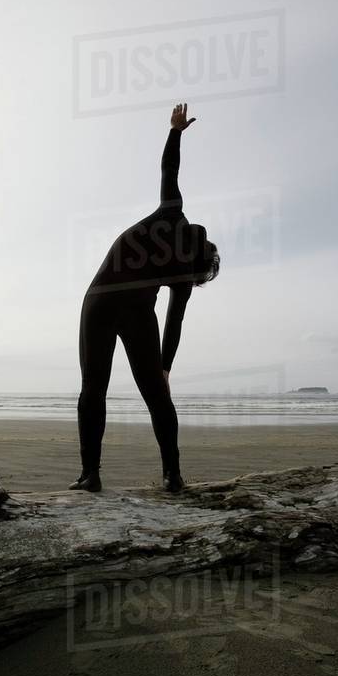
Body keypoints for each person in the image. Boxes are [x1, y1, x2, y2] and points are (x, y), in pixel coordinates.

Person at [72, 103, 220, 494]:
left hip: (105, 299)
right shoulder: (177, 232)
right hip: (122, 306)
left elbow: (169, 168)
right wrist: (164, 370)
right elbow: (175, 322)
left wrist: (175, 132)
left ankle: (92, 474)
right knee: (150, 394)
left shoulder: (174, 214)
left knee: (93, 388)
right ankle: (171, 473)